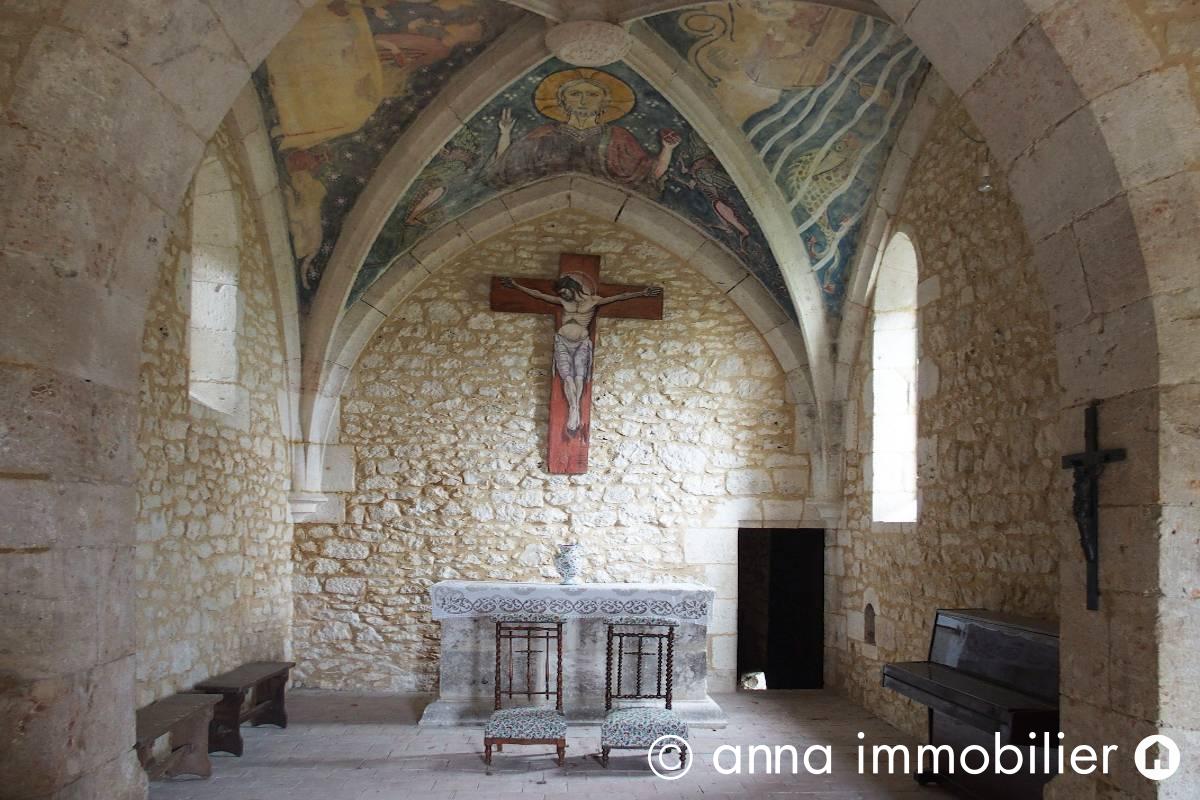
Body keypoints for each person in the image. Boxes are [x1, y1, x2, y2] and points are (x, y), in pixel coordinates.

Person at [500, 273, 662, 434]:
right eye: (561, 293)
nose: (562, 295)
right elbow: (538, 295)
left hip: (581, 344)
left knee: (579, 376)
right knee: (567, 376)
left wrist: (642, 293)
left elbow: (619, 297)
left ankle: (575, 408)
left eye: (565, 291)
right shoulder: (563, 301)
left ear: (573, 288)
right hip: (562, 342)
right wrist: (516, 285)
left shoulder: (594, 301)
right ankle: (573, 409)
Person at [485, 67, 681, 196]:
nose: (583, 99)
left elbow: (648, 173)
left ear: (604, 103)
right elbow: (506, 167)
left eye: (592, 94)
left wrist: (668, 149)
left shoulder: (617, 137)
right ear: (562, 102)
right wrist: (505, 133)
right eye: (575, 94)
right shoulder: (544, 134)